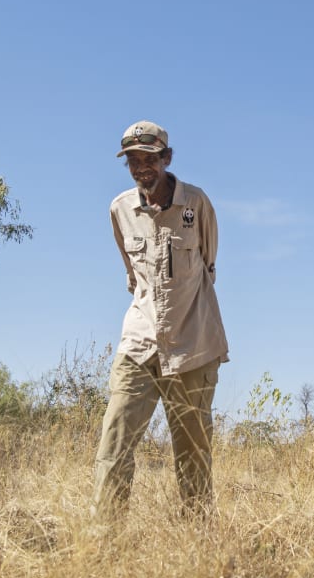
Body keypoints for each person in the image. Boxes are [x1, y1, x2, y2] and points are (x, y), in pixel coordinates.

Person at [93, 120, 228, 517]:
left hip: (193, 343)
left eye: (149, 159)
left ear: (166, 158)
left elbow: (209, 264)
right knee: (114, 445)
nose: (141, 168)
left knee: (193, 455)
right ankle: (102, 542)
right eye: (133, 161)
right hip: (139, 343)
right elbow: (133, 276)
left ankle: (197, 544)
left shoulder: (196, 203)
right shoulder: (120, 209)